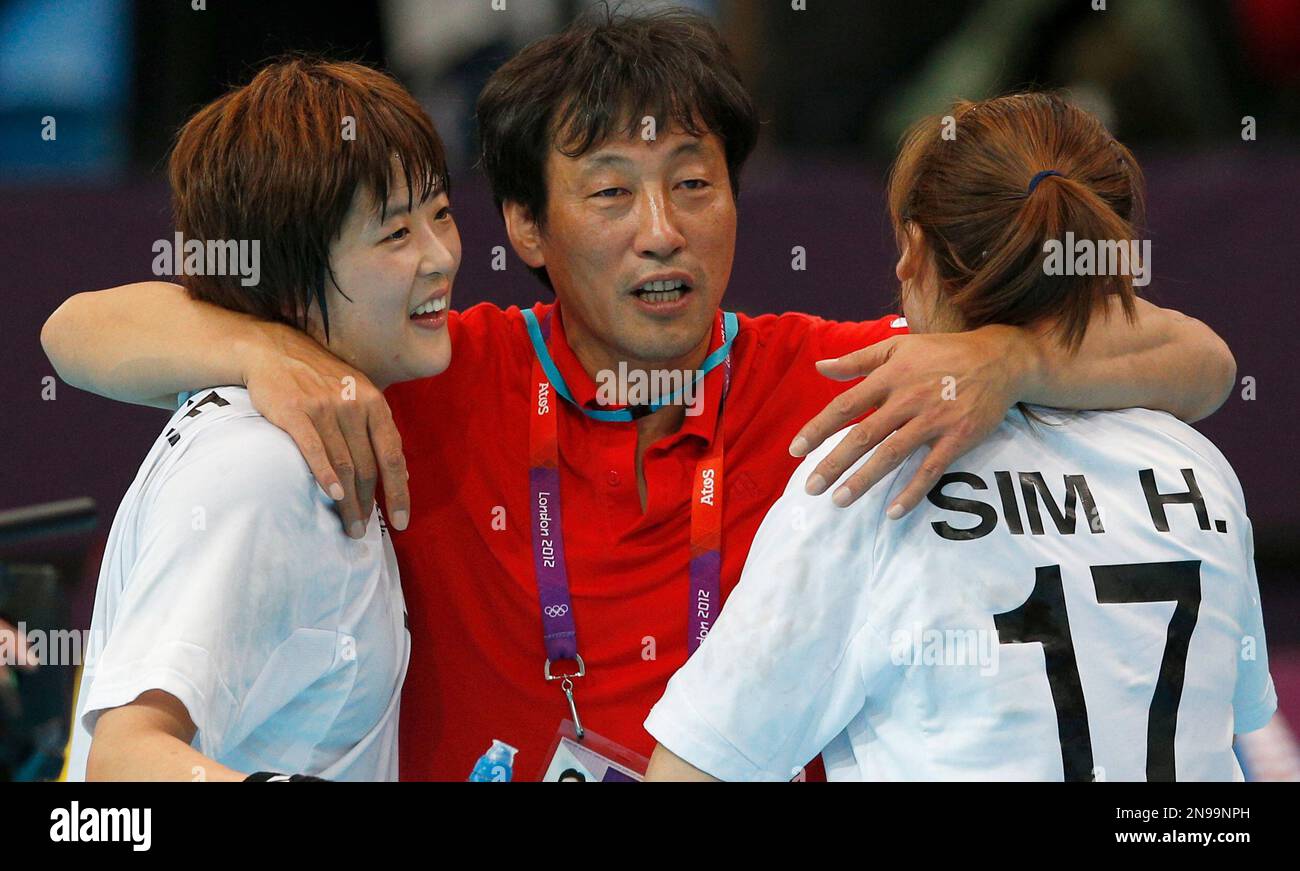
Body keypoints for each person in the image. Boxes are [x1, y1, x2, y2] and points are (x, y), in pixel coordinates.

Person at [43, 9, 1236, 780]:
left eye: (693, 181)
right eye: (609, 193)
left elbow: (1196, 360)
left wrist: (1013, 359)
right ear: (525, 224)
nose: (662, 232)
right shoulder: (426, 367)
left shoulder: (847, 379)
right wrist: (269, 353)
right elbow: (77, 330)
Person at [643, 93, 1274, 782]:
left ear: (912, 252)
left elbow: (694, 771)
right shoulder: (1200, 470)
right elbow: (1237, 719)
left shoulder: (867, 480)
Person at [61, 57, 461, 781]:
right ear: (285, 279)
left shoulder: (293, 411)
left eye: (440, 213)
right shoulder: (262, 466)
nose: (441, 257)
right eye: (395, 235)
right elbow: (125, 762)